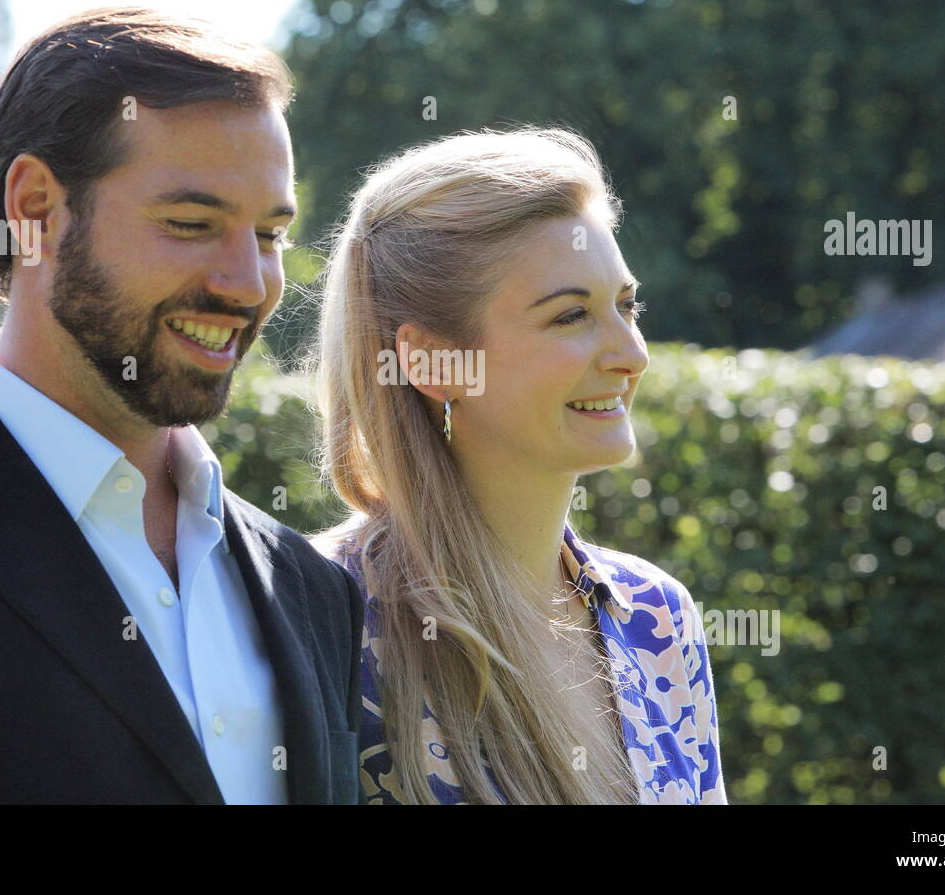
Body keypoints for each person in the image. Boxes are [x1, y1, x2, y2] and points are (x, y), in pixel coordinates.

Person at [0, 7, 361, 804]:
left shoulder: (312, 587)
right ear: (36, 210)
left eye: (268, 234)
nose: (248, 283)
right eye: (192, 224)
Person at [307, 127, 727, 804]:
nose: (633, 353)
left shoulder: (657, 615)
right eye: (571, 316)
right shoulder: (320, 617)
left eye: (628, 306)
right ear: (432, 361)